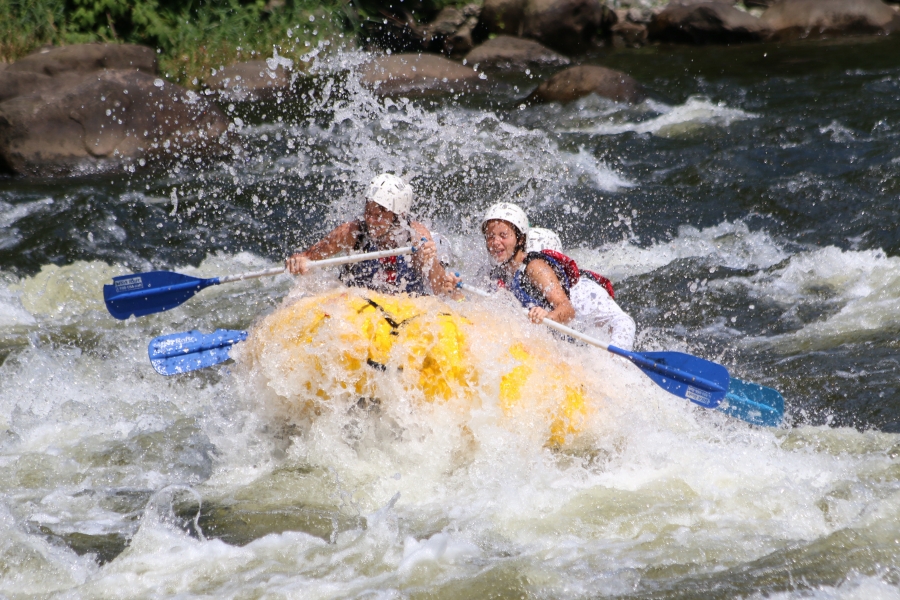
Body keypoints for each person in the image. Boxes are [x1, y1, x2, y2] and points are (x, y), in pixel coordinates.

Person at [286, 173, 457, 296]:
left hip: (408, 306)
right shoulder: (351, 232)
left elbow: (440, 289)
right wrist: (300, 261)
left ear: (399, 216)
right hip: (358, 304)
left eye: (379, 215)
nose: (371, 220)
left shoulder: (416, 236)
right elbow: (307, 257)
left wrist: (431, 261)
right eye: (368, 212)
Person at [526, 227, 636, 350]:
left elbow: (624, 322)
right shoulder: (525, 290)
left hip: (600, 353)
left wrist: (616, 359)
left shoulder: (584, 291)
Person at [481, 202, 576, 325]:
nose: (495, 242)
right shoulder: (496, 273)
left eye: (503, 235)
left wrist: (547, 317)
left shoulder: (535, 267)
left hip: (554, 340)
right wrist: (457, 295)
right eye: (490, 236)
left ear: (520, 239)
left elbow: (567, 309)